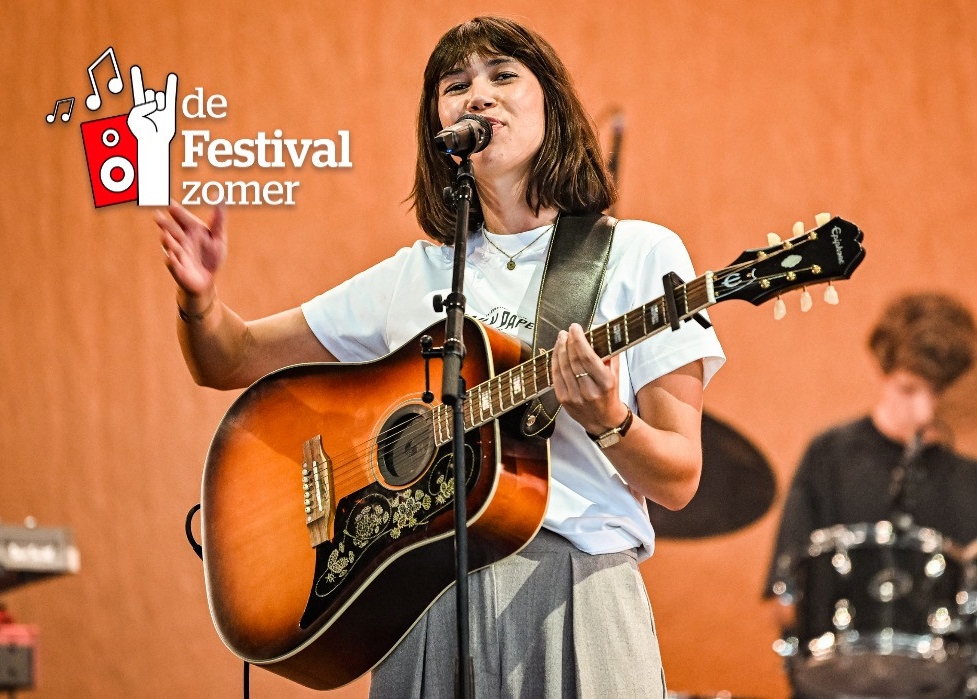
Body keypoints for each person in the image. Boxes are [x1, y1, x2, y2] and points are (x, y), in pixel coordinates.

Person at [157, 16, 725, 698]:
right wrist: (200, 298)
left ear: (552, 103)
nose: (477, 95)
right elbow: (231, 357)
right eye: (456, 85)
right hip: (424, 604)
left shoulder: (640, 254)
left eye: (503, 76)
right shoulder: (415, 276)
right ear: (439, 127)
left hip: (574, 594)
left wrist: (609, 421)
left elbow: (679, 477)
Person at [764, 292, 977, 696]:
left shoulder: (970, 479)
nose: (924, 413)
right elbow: (784, 600)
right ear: (884, 372)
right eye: (909, 389)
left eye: (937, 394)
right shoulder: (830, 455)